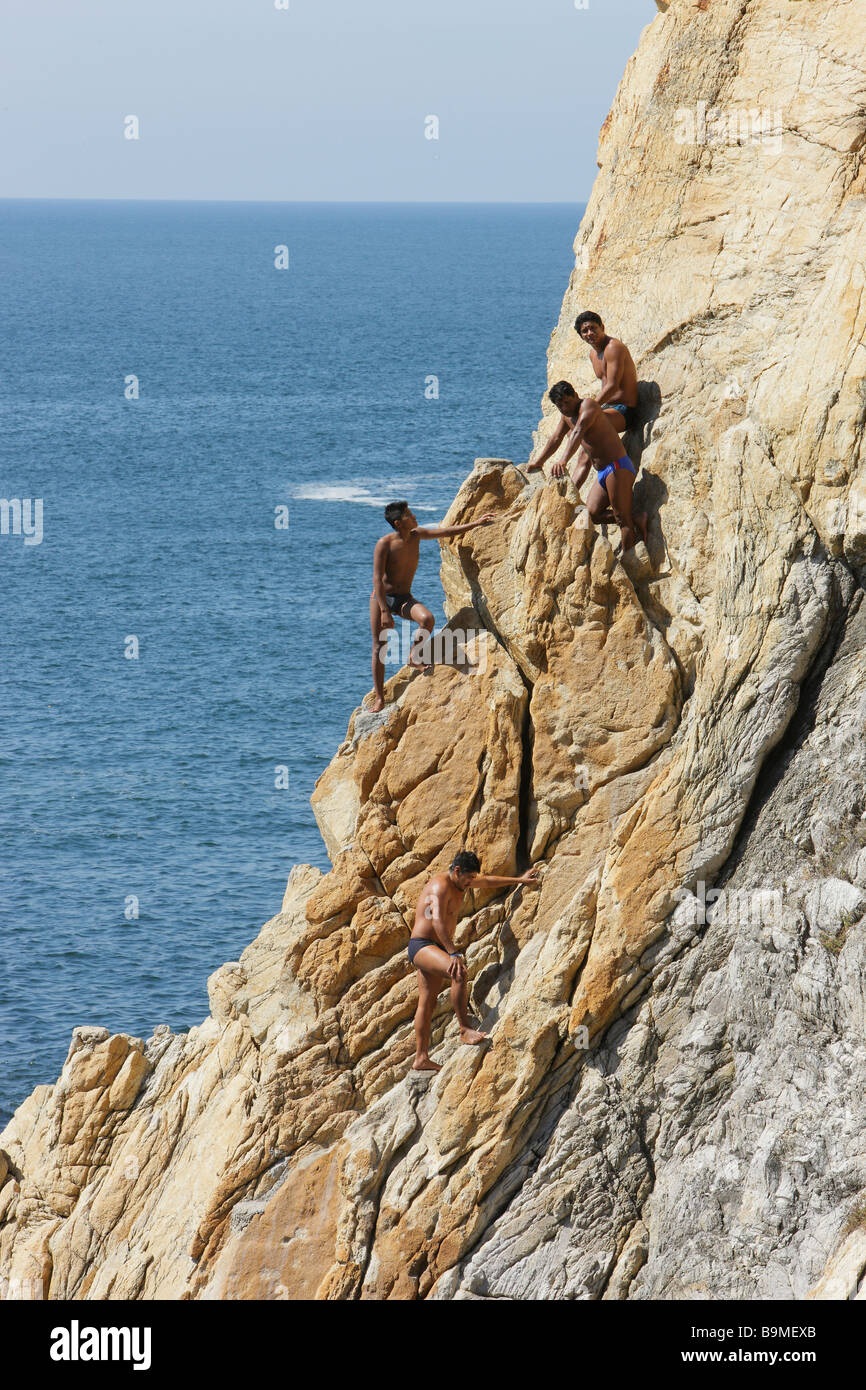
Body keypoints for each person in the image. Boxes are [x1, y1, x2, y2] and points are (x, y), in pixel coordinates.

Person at [407, 850, 541, 1072]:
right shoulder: (439, 886)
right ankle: (464, 1029)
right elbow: (438, 921)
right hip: (422, 945)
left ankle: (421, 1059)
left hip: (435, 946)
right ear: (457, 871)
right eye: (468, 878)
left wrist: (520, 879)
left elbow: (487, 881)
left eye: (472, 879)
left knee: (427, 1002)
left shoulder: (460, 882)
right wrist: (453, 953)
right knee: (458, 972)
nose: (471, 883)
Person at [368, 501, 497, 712]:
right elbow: (376, 579)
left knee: (427, 619)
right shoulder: (385, 543)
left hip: (403, 598)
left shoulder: (417, 535)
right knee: (378, 647)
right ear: (399, 523)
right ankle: (379, 698)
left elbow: (444, 531)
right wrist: (384, 611)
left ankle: (413, 656)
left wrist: (475, 523)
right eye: (409, 514)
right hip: (382, 598)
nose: (414, 516)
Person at [527, 382, 648, 551]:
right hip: (603, 472)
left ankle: (631, 562)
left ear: (576, 395)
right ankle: (637, 518)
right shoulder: (566, 417)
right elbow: (555, 438)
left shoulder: (588, 406)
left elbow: (578, 431)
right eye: (559, 406)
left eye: (567, 402)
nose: (564, 408)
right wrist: (539, 461)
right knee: (592, 514)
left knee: (622, 521)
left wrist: (563, 460)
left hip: (617, 467)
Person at [528, 310, 639, 485]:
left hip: (625, 410)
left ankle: (572, 491)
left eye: (592, 328)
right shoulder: (593, 355)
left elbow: (612, 386)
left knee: (585, 433)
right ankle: (542, 465)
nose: (589, 334)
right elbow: (557, 436)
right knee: (569, 424)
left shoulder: (613, 347)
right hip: (608, 408)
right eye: (584, 331)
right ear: (580, 336)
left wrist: (591, 408)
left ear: (602, 327)